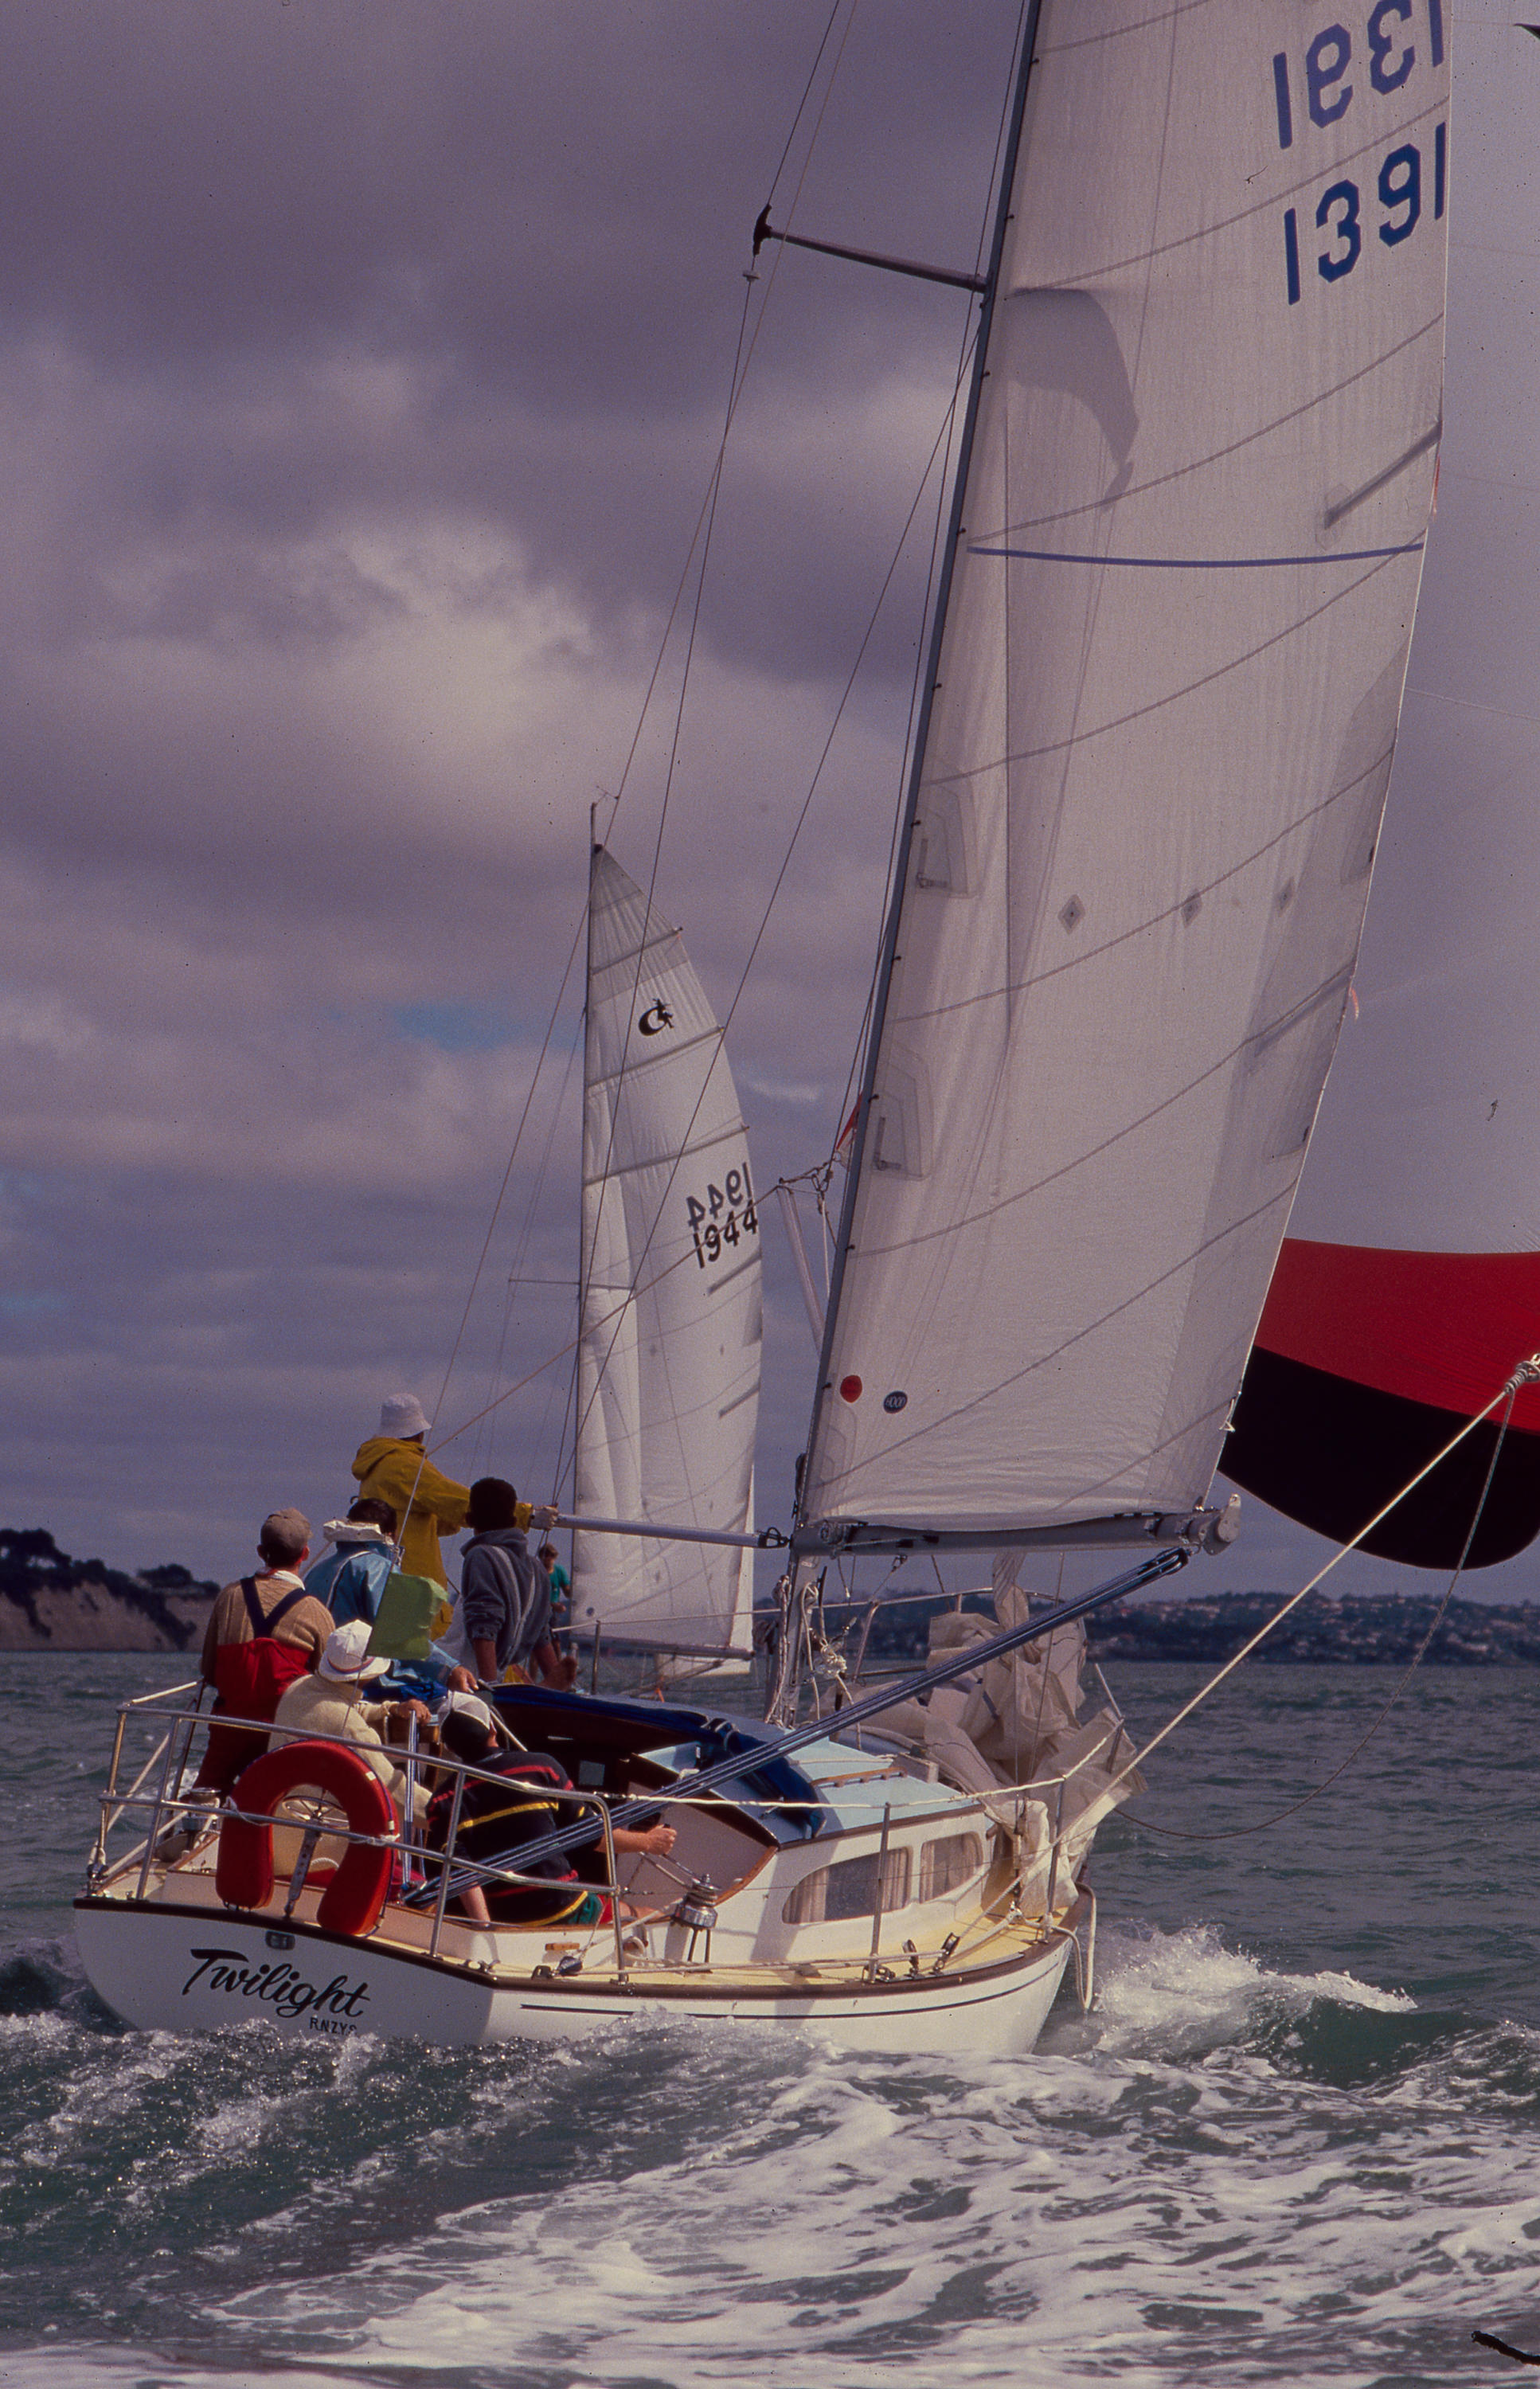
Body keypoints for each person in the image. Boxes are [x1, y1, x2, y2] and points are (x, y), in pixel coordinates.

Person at [427, 1694, 676, 1927]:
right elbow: (596, 1838)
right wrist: (647, 1841)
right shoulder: (541, 1767)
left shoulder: (443, 1799)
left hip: (501, 1919)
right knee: (641, 1916)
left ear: (449, 1746)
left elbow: (463, 1875)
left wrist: (485, 1930)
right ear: (493, 1728)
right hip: (561, 1910)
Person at [192, 1509, 335, 1793]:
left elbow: (209, 1670)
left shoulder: (229, 1596)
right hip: (284, 1734)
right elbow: (330, 1683)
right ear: (305, 1554)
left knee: (203, 1794)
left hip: (228, 1731)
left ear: (260, 1551)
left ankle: (190, 1829)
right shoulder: (316, 1612)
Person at [351, 1394, 557, 1588]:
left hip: (386, 1577)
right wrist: (526, 1515)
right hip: (411, 1583)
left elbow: (439, 1518)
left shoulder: (376, 1464)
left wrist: (459, 1518)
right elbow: (456, 1499)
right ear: (419, 1433)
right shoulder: (404, 1465)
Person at [272, 1618, 432, 1822]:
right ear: (370, 1673)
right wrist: (448, 1815)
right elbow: (392, 1791)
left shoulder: (299, 1688)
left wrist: (391, 1709)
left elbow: (339, 1708)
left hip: (276, 1818)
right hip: (325, 1834)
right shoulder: (351, 1729)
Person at [460, 1478, 577, 1690]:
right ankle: (551, 1688)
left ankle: (497, 1689)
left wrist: (489, 1689)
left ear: (469, 1519)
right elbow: (541, 1633)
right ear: (515, 1521)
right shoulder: (537, 1568)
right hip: (497, 1669)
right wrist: (555, 1674)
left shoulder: (480, 1555)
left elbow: (485, 1622)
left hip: (468, 1676)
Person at [304, 1498, 398, 1625]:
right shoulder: (381, 1568)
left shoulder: (316, 1571)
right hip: (356, 1644)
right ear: (391, 1535)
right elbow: (392, 1630)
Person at [537, 1540, 571, 1631]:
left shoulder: (559, 1570)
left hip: (553, 1611)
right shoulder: (536, 1570)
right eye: (546, 1555)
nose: (550, 1558)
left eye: (552, 1555)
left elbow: (567, 1591)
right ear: (541, 1557)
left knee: (556, 1642)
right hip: (537, 1610)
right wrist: (553, 1605)